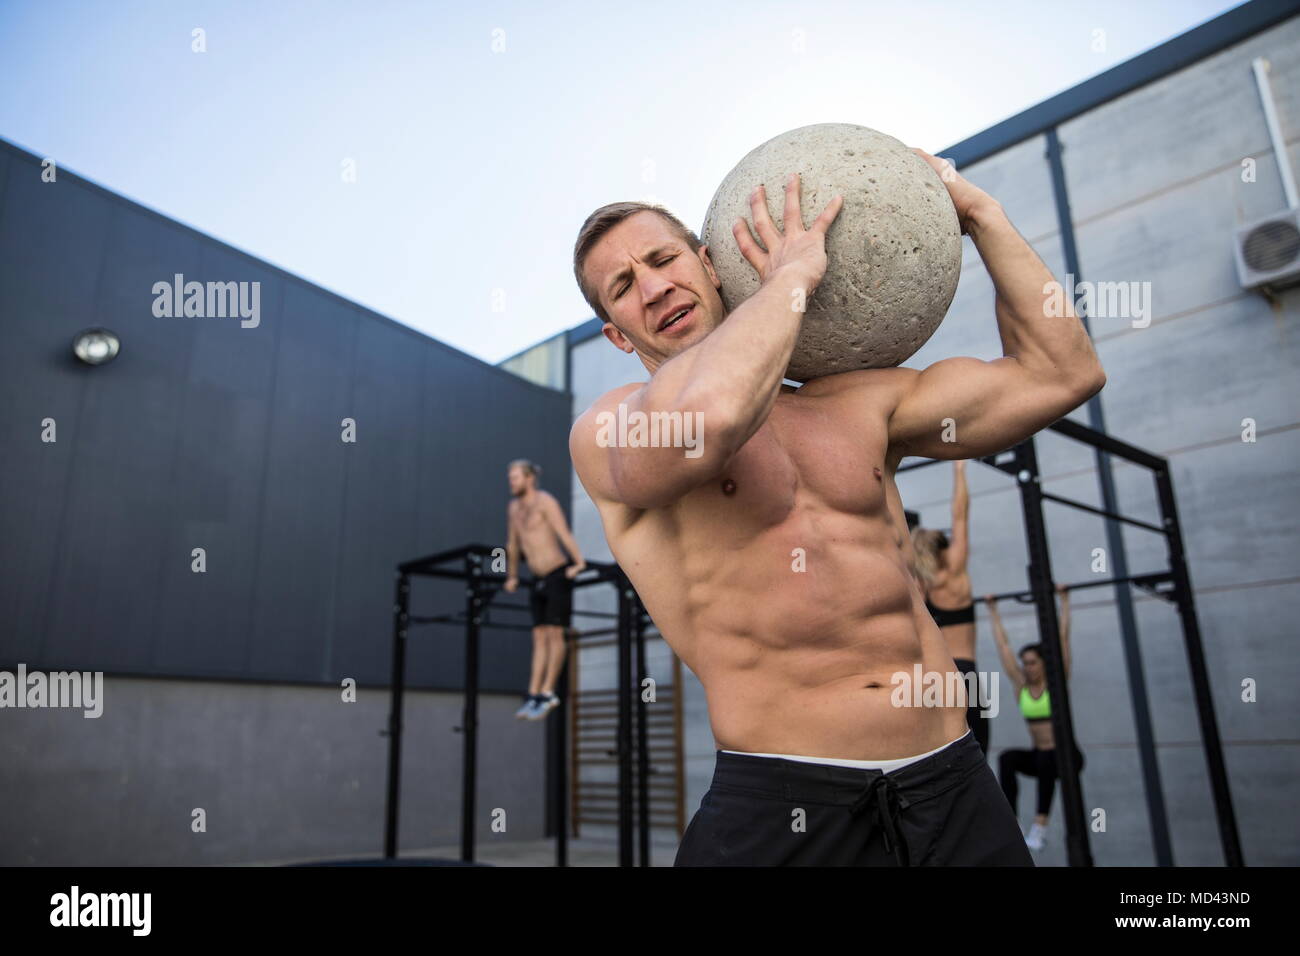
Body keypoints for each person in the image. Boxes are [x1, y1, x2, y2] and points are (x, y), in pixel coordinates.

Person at [569, 154, 1105, 866]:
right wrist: (791, 277)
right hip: (787, 805)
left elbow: (1062, 371)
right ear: (616, 333)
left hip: (953, 785)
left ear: (709, 262)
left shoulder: (854, 403)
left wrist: (978, 215)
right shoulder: (613, 430)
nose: (656, 286)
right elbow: (712, 419)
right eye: (624, 287)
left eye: (664, 259)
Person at [988, 584, 1086, 851]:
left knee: (1047, 757)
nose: (1027, 667)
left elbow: (1063, 640)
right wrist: (993, 611)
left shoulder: (1056, 683)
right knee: (1007, 758)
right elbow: (1004, 649)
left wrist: (1064, 602)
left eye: (1032, 662)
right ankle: (1015, 822)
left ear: (1044, 662)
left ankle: (1040, 827)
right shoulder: (1021, 686)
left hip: (1068, 757)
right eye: (1025, 663)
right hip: (1040, 756)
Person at [910, 460, 989, 755]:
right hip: (966, 672)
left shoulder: (919, 585)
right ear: (943, 549)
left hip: (935, 676)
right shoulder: (954, 573)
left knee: (943, 757)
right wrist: (959, 470)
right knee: (980, 754)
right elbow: (960, 516)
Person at [502, 459, 586, 720]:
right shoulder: (514, 508)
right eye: (510, 478)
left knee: (554, 634)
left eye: (515, 477)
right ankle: (534, 694)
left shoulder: (545, 501)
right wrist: (512, 575)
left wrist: (579, 562)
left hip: (557, 572)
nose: (511, 482)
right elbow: (512, 545)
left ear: (529, 478)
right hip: (536, 577)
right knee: (538, 636)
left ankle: (549, 691)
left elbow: (563, 532)